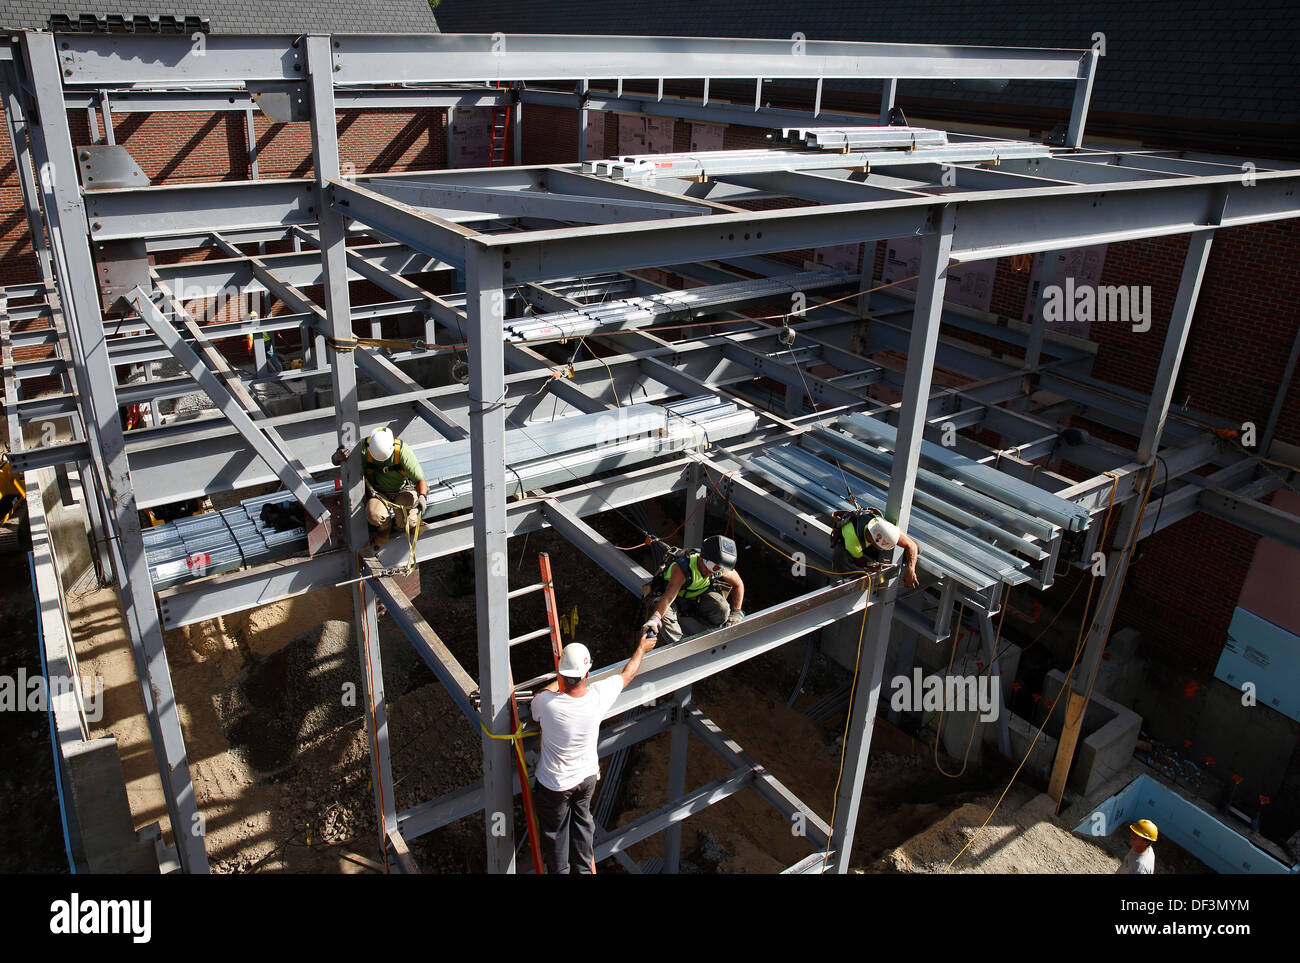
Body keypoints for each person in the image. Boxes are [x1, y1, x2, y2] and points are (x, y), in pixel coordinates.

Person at [531, 633, 656, 874]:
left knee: (555, 834)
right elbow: (627, 674)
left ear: (562, 674)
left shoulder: (548, 703)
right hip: (586, 779)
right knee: (582, 825)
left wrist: (556, 683)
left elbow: (538, 698)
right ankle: (584, 869)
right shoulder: (599, 696)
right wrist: (641, 648)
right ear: (586, 674)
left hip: (554, 785)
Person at [332, 426, 428, 546]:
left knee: (407, 520)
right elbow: (338, 461)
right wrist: (337, 457)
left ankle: (414, 525)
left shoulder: (402, 451)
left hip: (402, 489)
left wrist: (422, 496)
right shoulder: (362, 448)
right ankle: (384, 529)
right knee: (374, 514)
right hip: (378, 493)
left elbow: (420, 480)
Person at [644, 535, 745, 644]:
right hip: (674, 598)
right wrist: (655, 619)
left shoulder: (718, 567)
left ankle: (716, 632)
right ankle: (680, 644)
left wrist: (736, 612)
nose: (712, 572)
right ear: (701, 557)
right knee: (665, 617)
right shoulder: (683, 569)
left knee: (723, 608)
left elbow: (738, 584)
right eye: (712, 566)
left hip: (696, 597)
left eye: (718, 569)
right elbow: (668, 598)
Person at [829, 506, 920, 588]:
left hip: (868, 540)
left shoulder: (882, 526)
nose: (883, 549)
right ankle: (849, 581)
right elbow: (859, 560)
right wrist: (870, 566)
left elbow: (912, 545)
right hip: (853, 546)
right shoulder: (853, 542)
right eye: (882, 547)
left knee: (917, 548)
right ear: (874, 539)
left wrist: (911, 569)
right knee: (841, 556)